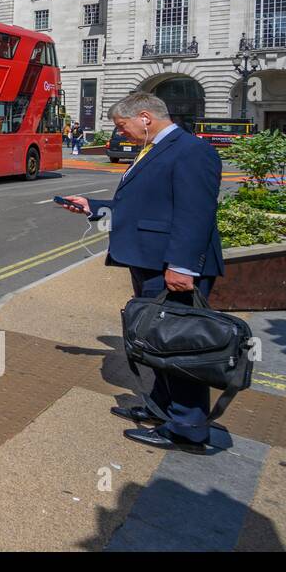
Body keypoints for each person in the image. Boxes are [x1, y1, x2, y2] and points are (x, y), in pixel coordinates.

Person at [61, 92, 223, 454]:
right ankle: (162, 409)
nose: (123, 134)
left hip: (172, 267)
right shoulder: (156, 149)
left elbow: (195, 213)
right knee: (159, 343)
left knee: (179, 347)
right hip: (151, 262)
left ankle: (186, 427)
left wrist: (182, 266)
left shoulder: (191, 151)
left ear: (145, 117)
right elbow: (141, 205)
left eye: (123, 126)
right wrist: (95, 207)